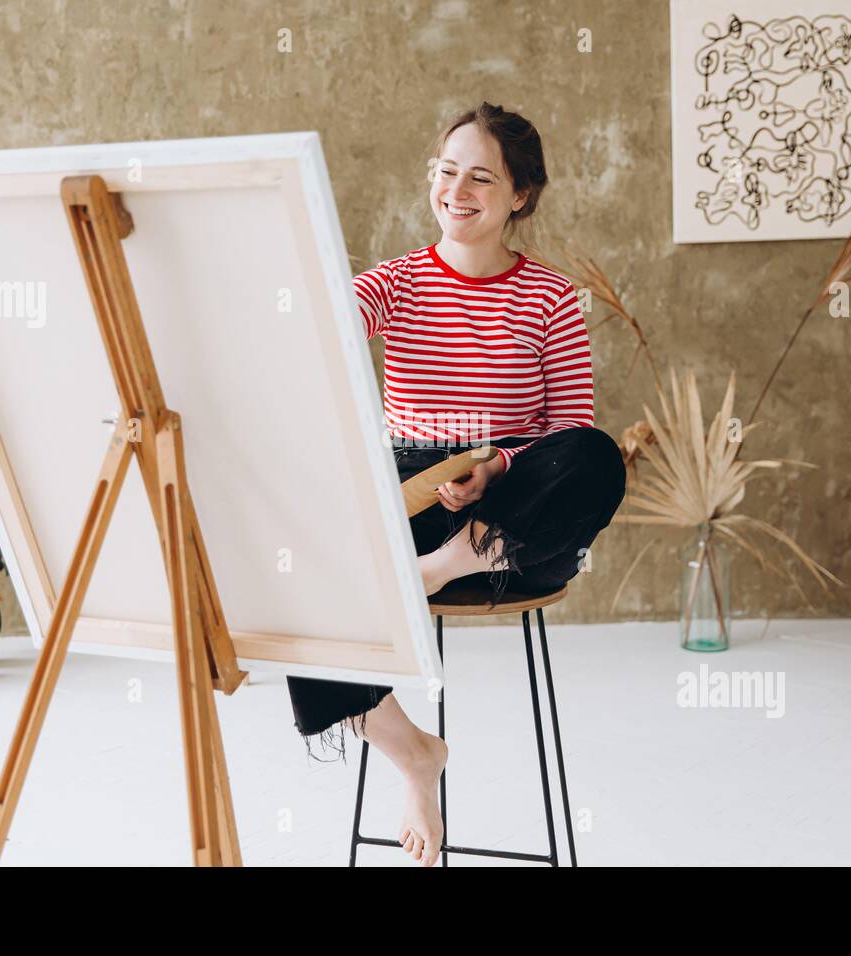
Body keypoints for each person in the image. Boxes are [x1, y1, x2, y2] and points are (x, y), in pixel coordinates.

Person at [286, 102, 626, 866]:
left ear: (520, 196)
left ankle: (436, 572)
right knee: (304, 585)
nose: (458, 189)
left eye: (481, 176)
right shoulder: (397, 281)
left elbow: (570, 430)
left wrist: (499, 467)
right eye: (446, 172)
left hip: (508, 516)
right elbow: (321, 313)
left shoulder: (548, 296)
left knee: (597, 455)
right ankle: (413, 755)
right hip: (405, 498)